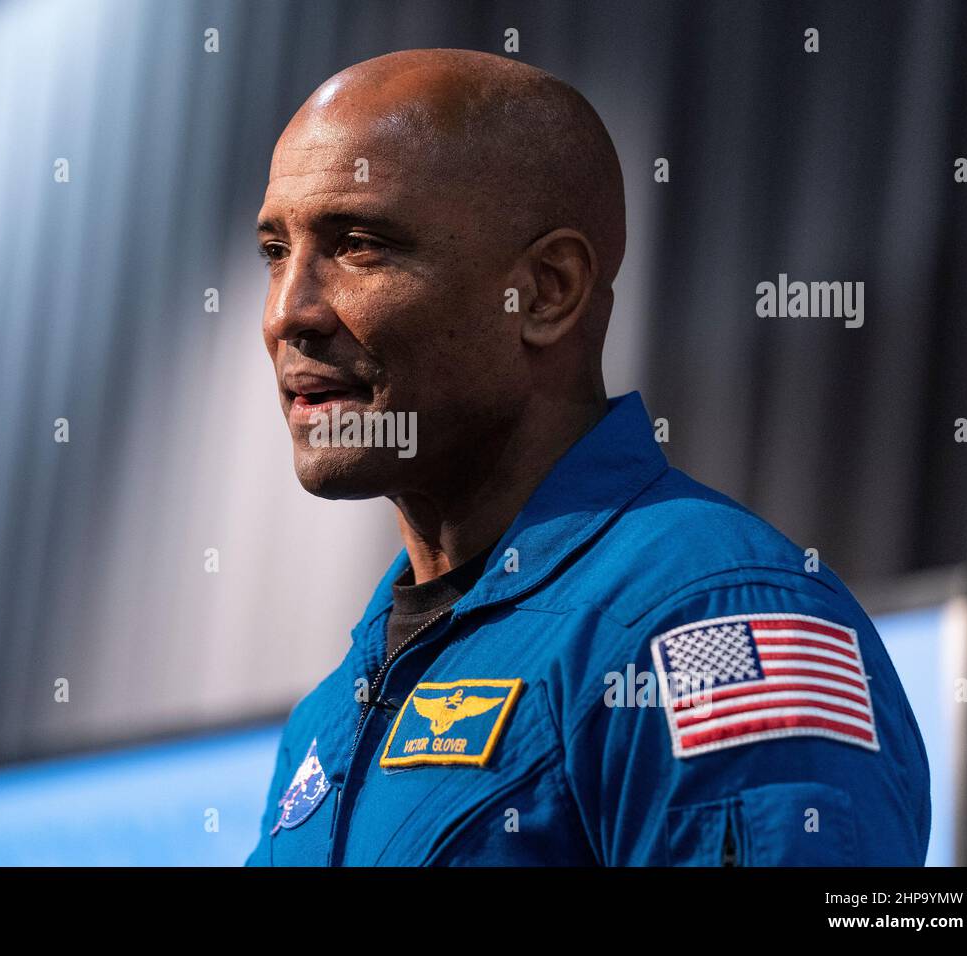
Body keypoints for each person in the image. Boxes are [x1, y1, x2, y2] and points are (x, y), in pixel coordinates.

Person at [246, 48, 930, 865]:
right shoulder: (327, 717)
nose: (289, 313)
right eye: (275, 253)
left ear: (546, 291)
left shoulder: (716, 623)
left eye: (358, 244)